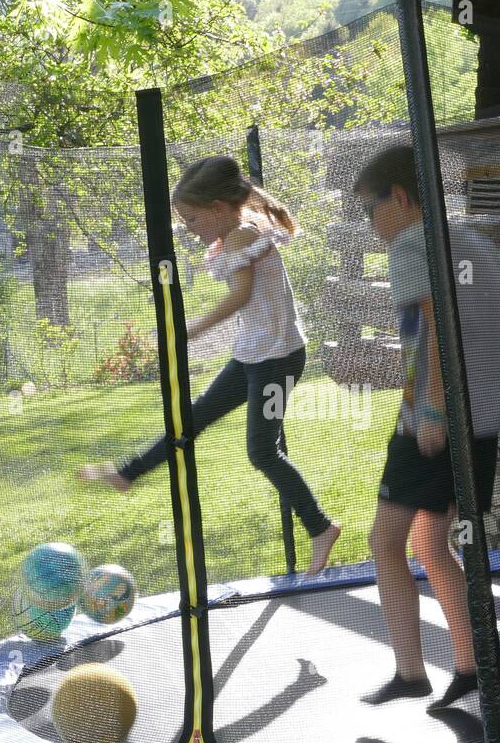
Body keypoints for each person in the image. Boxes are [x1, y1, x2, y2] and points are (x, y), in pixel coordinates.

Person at [80, 155, 341, 575]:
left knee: (262, 451)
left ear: (219, 208)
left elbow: (239, 296)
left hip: (278, 360)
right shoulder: (239, 234)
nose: (190, 229)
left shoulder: (241, 236)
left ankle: (321, 527)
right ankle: (128, 473)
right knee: (193, 418)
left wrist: (189, 331)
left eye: (193, 220)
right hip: (256, 355)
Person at [356, 146, 500, 709]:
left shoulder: (412, 243)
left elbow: (435, 326)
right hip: (481, 422)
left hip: (431, 424)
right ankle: (468, 667)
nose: (371, 225)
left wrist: (434, 409)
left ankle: (413, 672)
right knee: (431, 545)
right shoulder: (476, 243)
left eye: (371, 210)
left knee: (384, 543)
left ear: (400, 196)